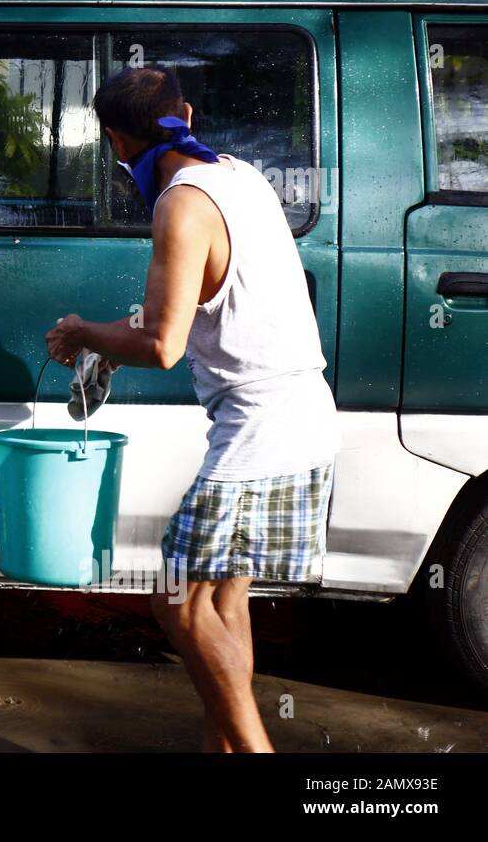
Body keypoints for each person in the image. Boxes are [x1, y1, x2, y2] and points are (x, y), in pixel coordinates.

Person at [45, 66, 340, 753]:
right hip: (305, 418)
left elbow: (163, 344)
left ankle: (255, 751)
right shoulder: (239, 176)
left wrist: (84, 333)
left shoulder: (179, 204)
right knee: (221, 601)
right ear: (188, 113)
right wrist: (119, 337)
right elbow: (205, 301)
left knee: (175, 600)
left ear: (117, 143)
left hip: (257, 434)